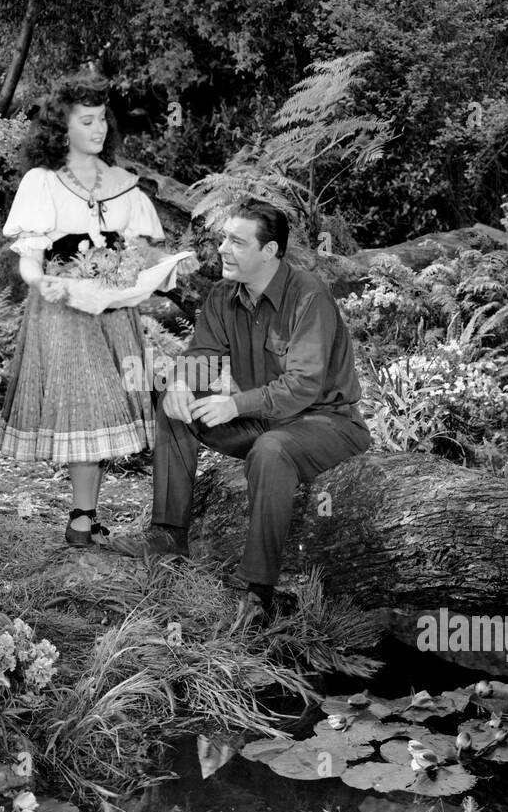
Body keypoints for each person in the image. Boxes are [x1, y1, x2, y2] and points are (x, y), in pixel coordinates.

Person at [110, 201, 371, 630]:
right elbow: (201, 360)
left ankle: (257, 591)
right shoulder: (222, 296)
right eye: (222, 238)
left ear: (269, 252)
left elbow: (303, 386)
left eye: (236, 241)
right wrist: (179, 385)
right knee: (175, 408)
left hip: (328, 423)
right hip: (266, 419)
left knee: (271, 450)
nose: (223, 250)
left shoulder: (309, 296)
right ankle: (168, 534)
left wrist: (234, 404)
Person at [0, 72, 166, 546]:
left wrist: (148, 271)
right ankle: (80, 519)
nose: (99, 130)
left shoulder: (124, 184)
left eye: (101, 121)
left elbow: (143, 254)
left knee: (107, 409)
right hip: (65, 311)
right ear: (60, 130)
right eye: (86, 121)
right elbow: (30, 264)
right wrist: (47, 283)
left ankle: (83, 518)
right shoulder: (42, 183)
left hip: (113, 310)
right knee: (86, 405)